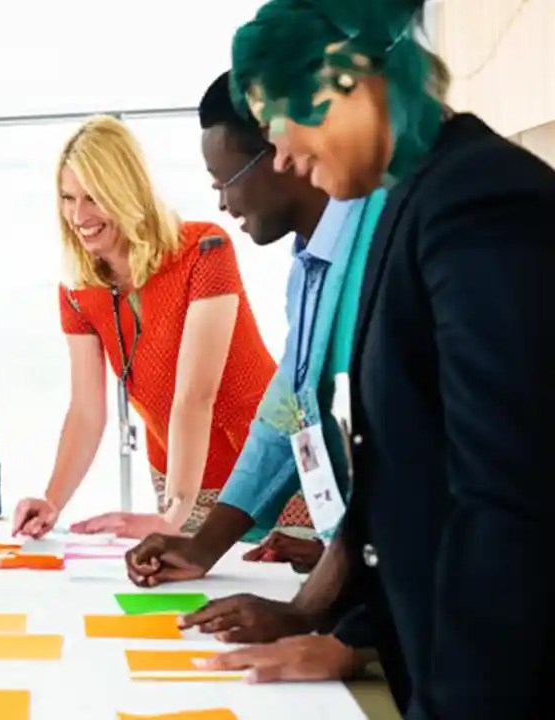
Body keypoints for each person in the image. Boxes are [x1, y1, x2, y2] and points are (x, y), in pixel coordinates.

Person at [196, 4, 555, 718]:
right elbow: (401, 467)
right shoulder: (403, 203)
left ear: (344, 77)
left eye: (277, 125)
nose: (284, 157)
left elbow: (507, 499)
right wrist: (342, 627)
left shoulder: (480, 197)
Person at [125, 71, 390, 588]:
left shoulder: (383, 237)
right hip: (369, 568)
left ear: (282, 152)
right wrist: (203, 546)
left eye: (225, 181)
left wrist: (315, 604)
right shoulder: (309, 264)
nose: (224, 203)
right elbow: (290, 408)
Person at [12, 115, 277, 540]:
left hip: (265, 470)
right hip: (181, 481)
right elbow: (86, 410)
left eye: (93, 198)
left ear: (126, 191)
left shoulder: (205, 250)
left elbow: (195, 395)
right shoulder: (78, 289)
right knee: (190, 603)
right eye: (67, 198)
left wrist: (172, 516)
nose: (78, 216)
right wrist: (53, 501)